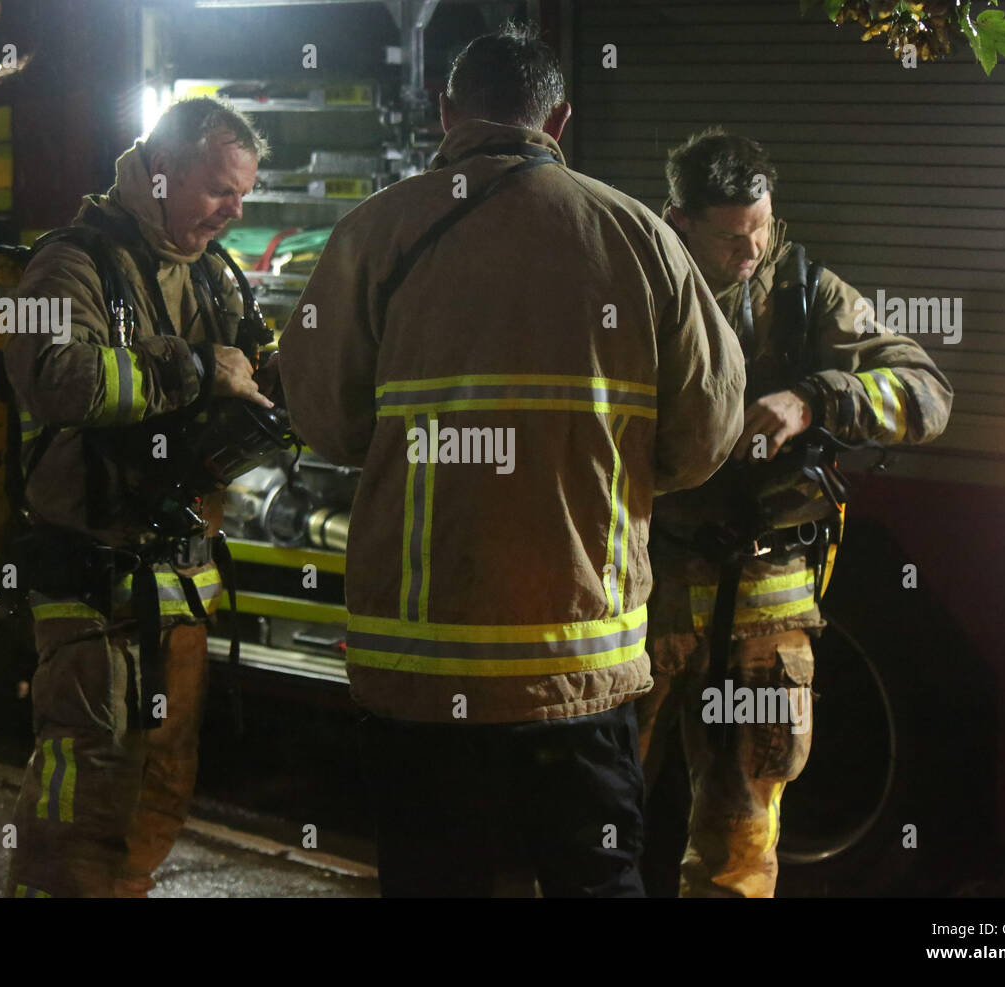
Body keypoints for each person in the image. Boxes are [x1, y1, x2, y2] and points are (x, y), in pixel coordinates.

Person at [279, 23, 745, 897]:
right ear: (558, 120)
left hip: (419, 673)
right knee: (593, 880)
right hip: (577, 671)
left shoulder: (372, 234)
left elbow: (325, 421)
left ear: (447, 110)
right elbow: (706, 433)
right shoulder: (642, 239)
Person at [640, 126, 954, 897]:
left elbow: (927, 392)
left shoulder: (804, 290)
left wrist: (817, 399)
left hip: (762, 606)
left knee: (740, 847)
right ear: (679, 223)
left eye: (763, 228)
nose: (751, 252)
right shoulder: (632, 288)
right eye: (732, 238)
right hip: (641, 603)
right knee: (593, 825)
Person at [2, 98, 272, 898]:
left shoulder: (209, 273)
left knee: (159, 781)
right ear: (162, 172)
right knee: (85, 781)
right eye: (221, 190)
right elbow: (56, 375)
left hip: (175, 584)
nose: (236, 211)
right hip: (88, 576)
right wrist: (193, 368)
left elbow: (244, 365)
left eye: (245, 195)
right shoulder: (70, 261)